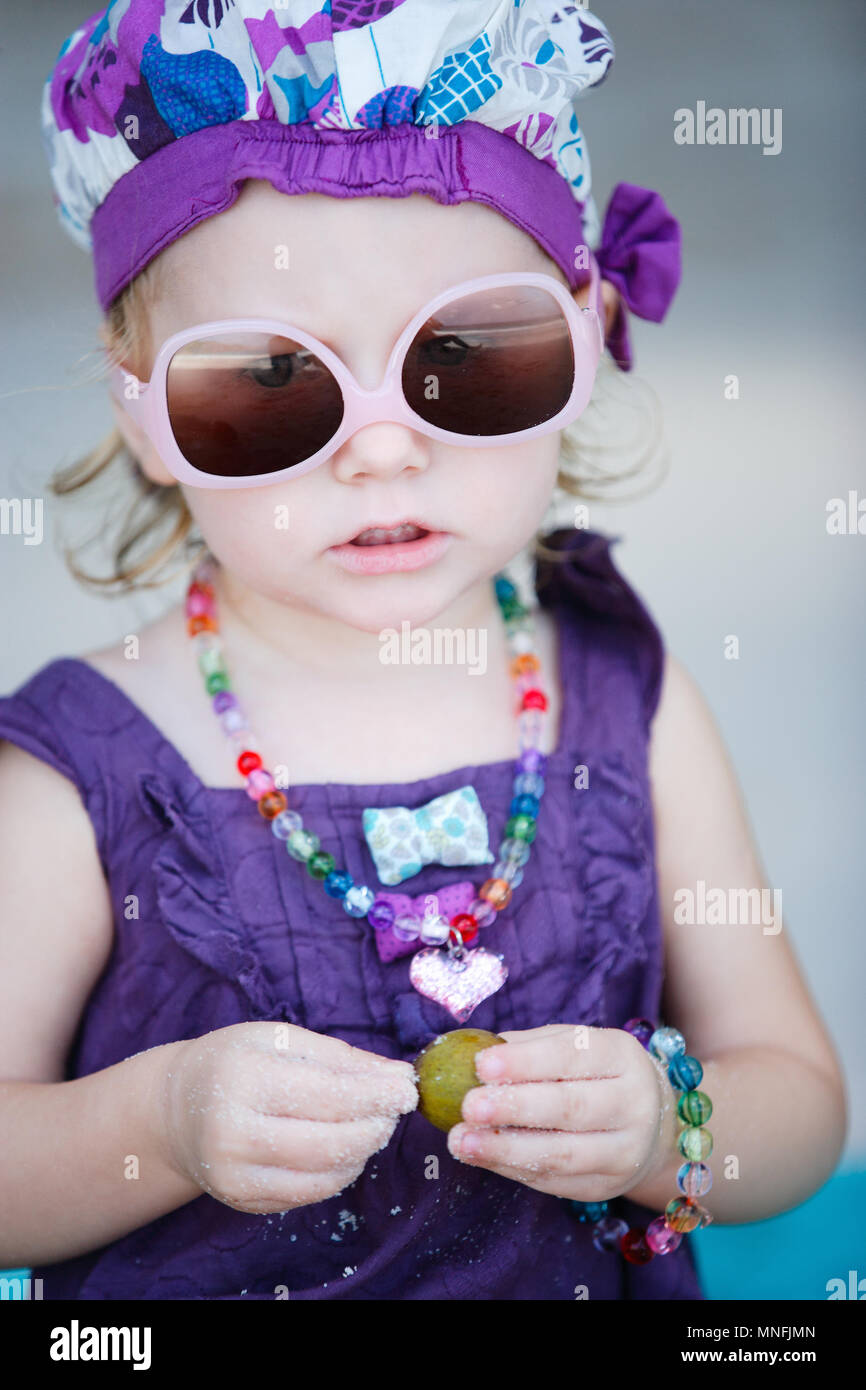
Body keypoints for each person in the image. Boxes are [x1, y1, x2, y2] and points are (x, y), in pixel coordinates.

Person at [0, 1, 845, 1300]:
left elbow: (795, 1105)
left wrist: (663, 1125)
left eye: (465, 355)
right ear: (143, 412)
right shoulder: (80, 773)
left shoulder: (624, 702)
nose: (381, 447)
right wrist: (158, 1121)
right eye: (269, 380)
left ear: (583, 330)